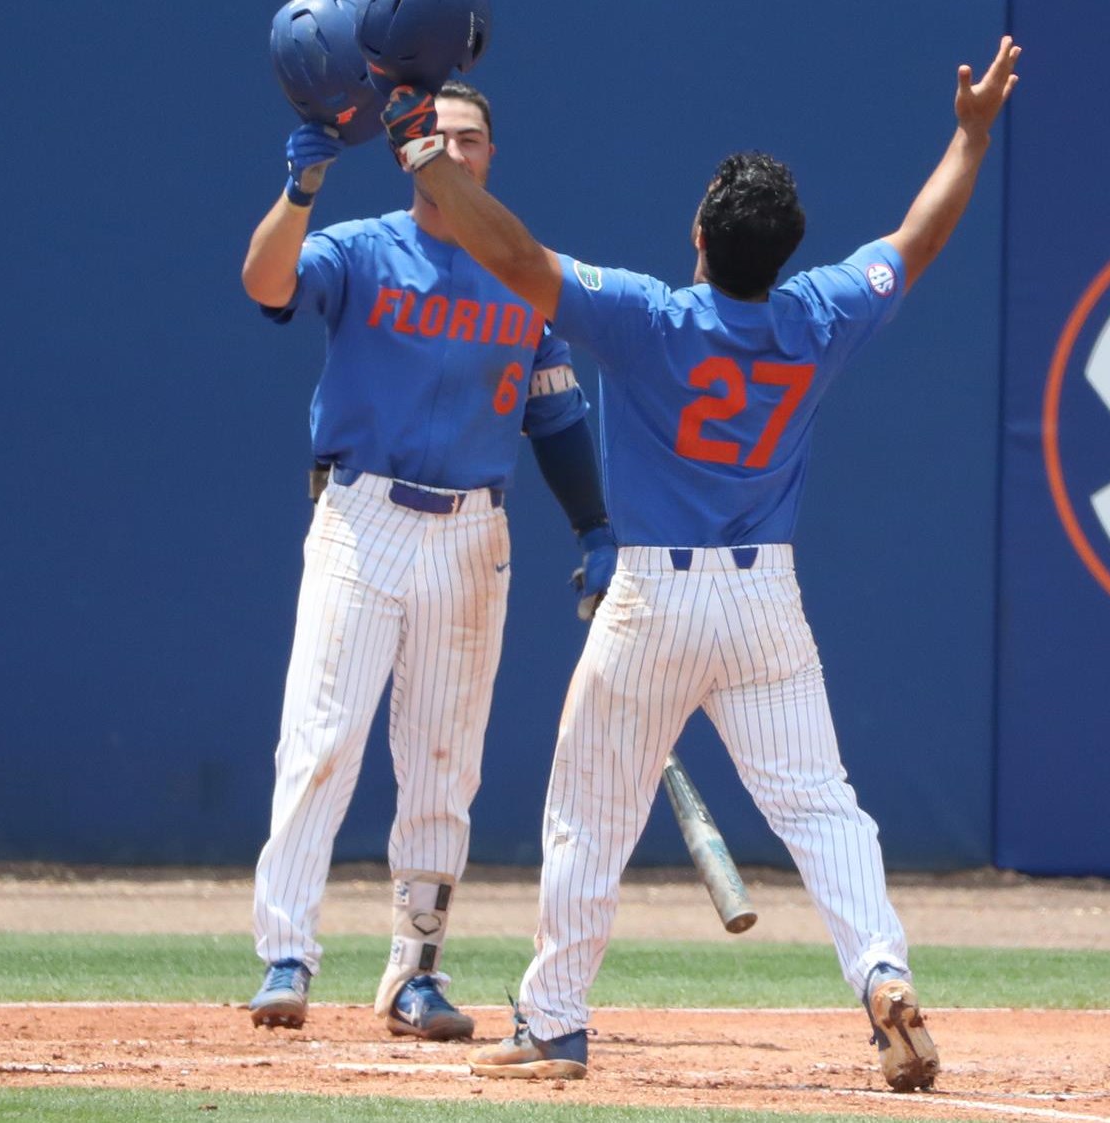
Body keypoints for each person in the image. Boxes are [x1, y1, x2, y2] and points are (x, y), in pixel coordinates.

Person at [378, 37, 1022, 1089]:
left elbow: (514, 257)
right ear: (785, 248)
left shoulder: (644, 317)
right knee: (822, 808)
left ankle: (553, 1021)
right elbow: (916, 239)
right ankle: (881, 972)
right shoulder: (817, 312)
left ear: (698, 238)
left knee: (590, 810)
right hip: (765, 596)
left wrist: (423, 158)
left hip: (653, 597)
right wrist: (971, 132)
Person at [240, 80, 616, 1041]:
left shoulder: (528, 275)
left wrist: (593, 527)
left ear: (491, 156)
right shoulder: (365, 248)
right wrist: (299, 191)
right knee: (322, 739)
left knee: (444, 764)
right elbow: (267, 284)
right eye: (436, 133)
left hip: (472, 532)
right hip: (364, 515)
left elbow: (559, 416)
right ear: (406, 149)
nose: (452, 150)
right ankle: (287, 952)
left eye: (472, 137)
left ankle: (416, 968)